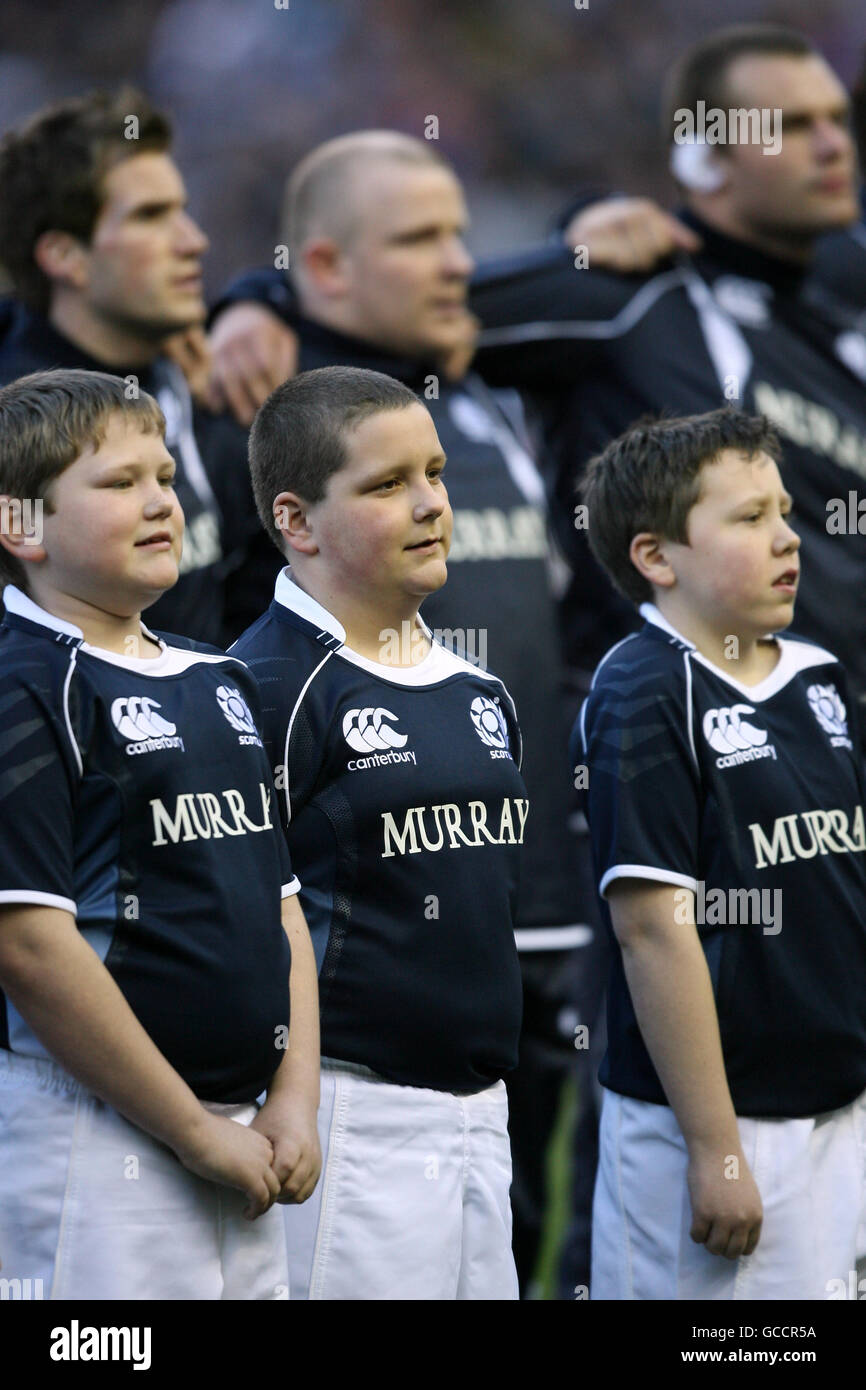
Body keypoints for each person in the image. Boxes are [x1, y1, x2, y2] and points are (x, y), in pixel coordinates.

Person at [210, 130, 595, 1294]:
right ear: (320, 267)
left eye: (462, 236)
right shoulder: (259, 394)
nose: (457, 265)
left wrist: (585, 229)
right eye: (419, 239)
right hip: (348, 1060)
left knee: (521, 1227)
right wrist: (249, 295)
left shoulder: (484, 402)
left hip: (518, 926)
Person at [0, 368, 320, 1299]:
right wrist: (189, 1129)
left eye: (168, 479)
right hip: (95, 1142)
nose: (160, 504)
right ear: (20, 525)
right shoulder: (27, 683)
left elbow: (283, 913)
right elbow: (28, 943)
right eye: (118, 483)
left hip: (245, 1133)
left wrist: (292, 1103)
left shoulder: (216, 676)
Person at [233, 364, 527, 1300]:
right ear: (297, 520)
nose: (432, 503)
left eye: (435, 473)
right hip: (349, 1118)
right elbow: (240, 926)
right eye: (387, 485)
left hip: (483, 1117)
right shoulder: (264, 688)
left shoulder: (479, 690)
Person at [577, 405, 866, 1300]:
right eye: (749, 519)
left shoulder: (816, 675)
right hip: (723, 1130)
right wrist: (716, 1148)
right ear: (657, 558)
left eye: (783, 511)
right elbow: (654, 935)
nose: (788, 539)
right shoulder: (645, 688)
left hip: (839, 1110)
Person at [0, 88, 279, 646]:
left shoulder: (210, 384)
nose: (194, 242)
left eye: (183, 211)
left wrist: (260, 297)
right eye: (151, 217)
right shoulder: (10, 427)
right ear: (64, 256)